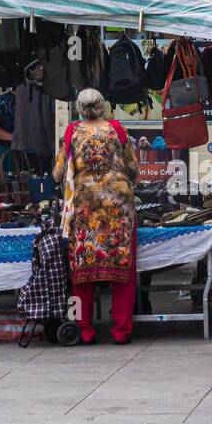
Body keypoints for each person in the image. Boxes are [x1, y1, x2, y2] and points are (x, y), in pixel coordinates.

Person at [54, 87, 140, 345]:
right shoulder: (117, 129)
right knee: (122, 269)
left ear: (79, 108)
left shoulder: (71, 132)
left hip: (85, 208)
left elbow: (58, 174)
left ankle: (85, 330)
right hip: (119, 207)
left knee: (81, 272)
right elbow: (134, 169)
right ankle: (121, 331)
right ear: (103, 106)